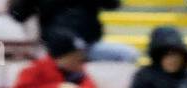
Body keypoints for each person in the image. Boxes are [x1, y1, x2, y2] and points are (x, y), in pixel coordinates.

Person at [9, 0, 137, 62]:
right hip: (54, 50)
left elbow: (113, 4)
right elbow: (18, 14)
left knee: (128, 54)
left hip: (88, 47)